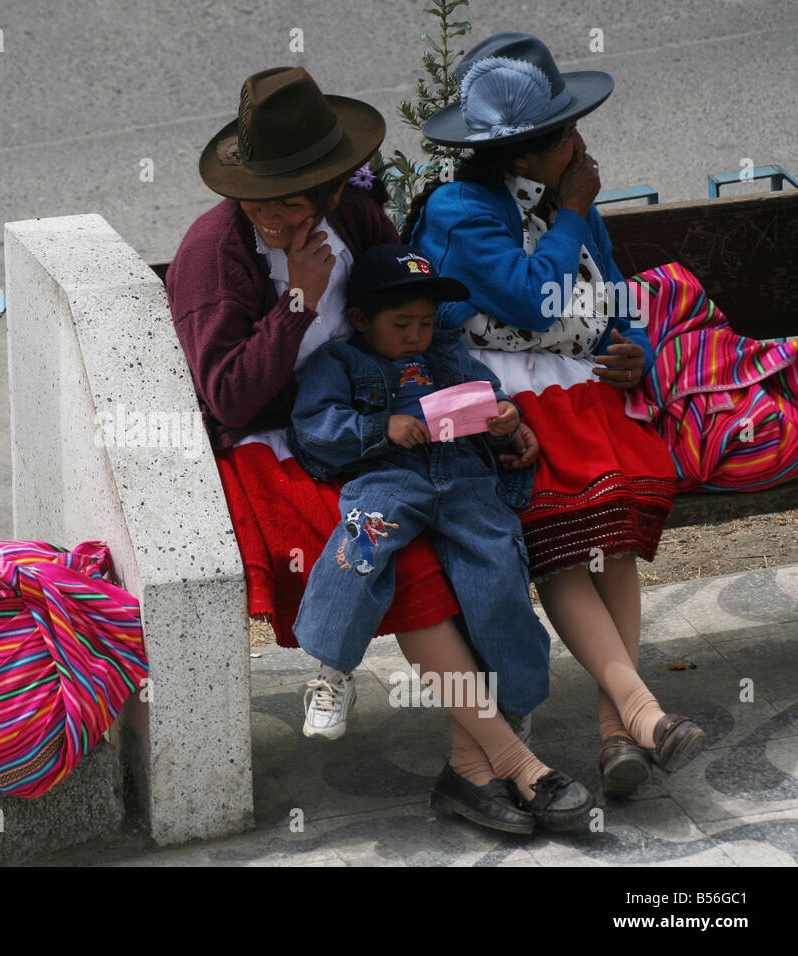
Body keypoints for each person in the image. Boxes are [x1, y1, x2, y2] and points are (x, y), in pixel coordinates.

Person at [168, 67, 578, 833]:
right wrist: (294, 298)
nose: (272, 214)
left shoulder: (356, 218)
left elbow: (420, 320)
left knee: (479, 542)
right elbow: (228, 397)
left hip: (393, 431)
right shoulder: (214, 255)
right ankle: (517, 763)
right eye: (258, 197)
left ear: (328, 189)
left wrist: (492, 409)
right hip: (281, 447)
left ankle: (469, 770)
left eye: (292, 198)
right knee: (405, 560)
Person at [407, 32, 706, 799]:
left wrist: (631, 344)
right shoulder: (458, 210)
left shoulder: (567, 199)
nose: (581, 146)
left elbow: (610, 293)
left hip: (583, 390)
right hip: (506, 405)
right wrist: (574, 211)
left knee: (613, 533)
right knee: (565, 541)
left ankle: (621, 733)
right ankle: (641, 711)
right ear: (521, 155)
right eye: (565, 136)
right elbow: (527, 296)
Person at [287, 243, 592, 831]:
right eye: (401, 325)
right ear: (360, 320)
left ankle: (515, 700)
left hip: (466, 480)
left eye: (425, 322)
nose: (416, 335)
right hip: (388, 479)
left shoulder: (448, 353)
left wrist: (507, 420)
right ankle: (331, 673)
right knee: (359, 548)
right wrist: (381, 426)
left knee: (500, 573)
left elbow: (489, 401)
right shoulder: (340, 362)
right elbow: (315, 429)